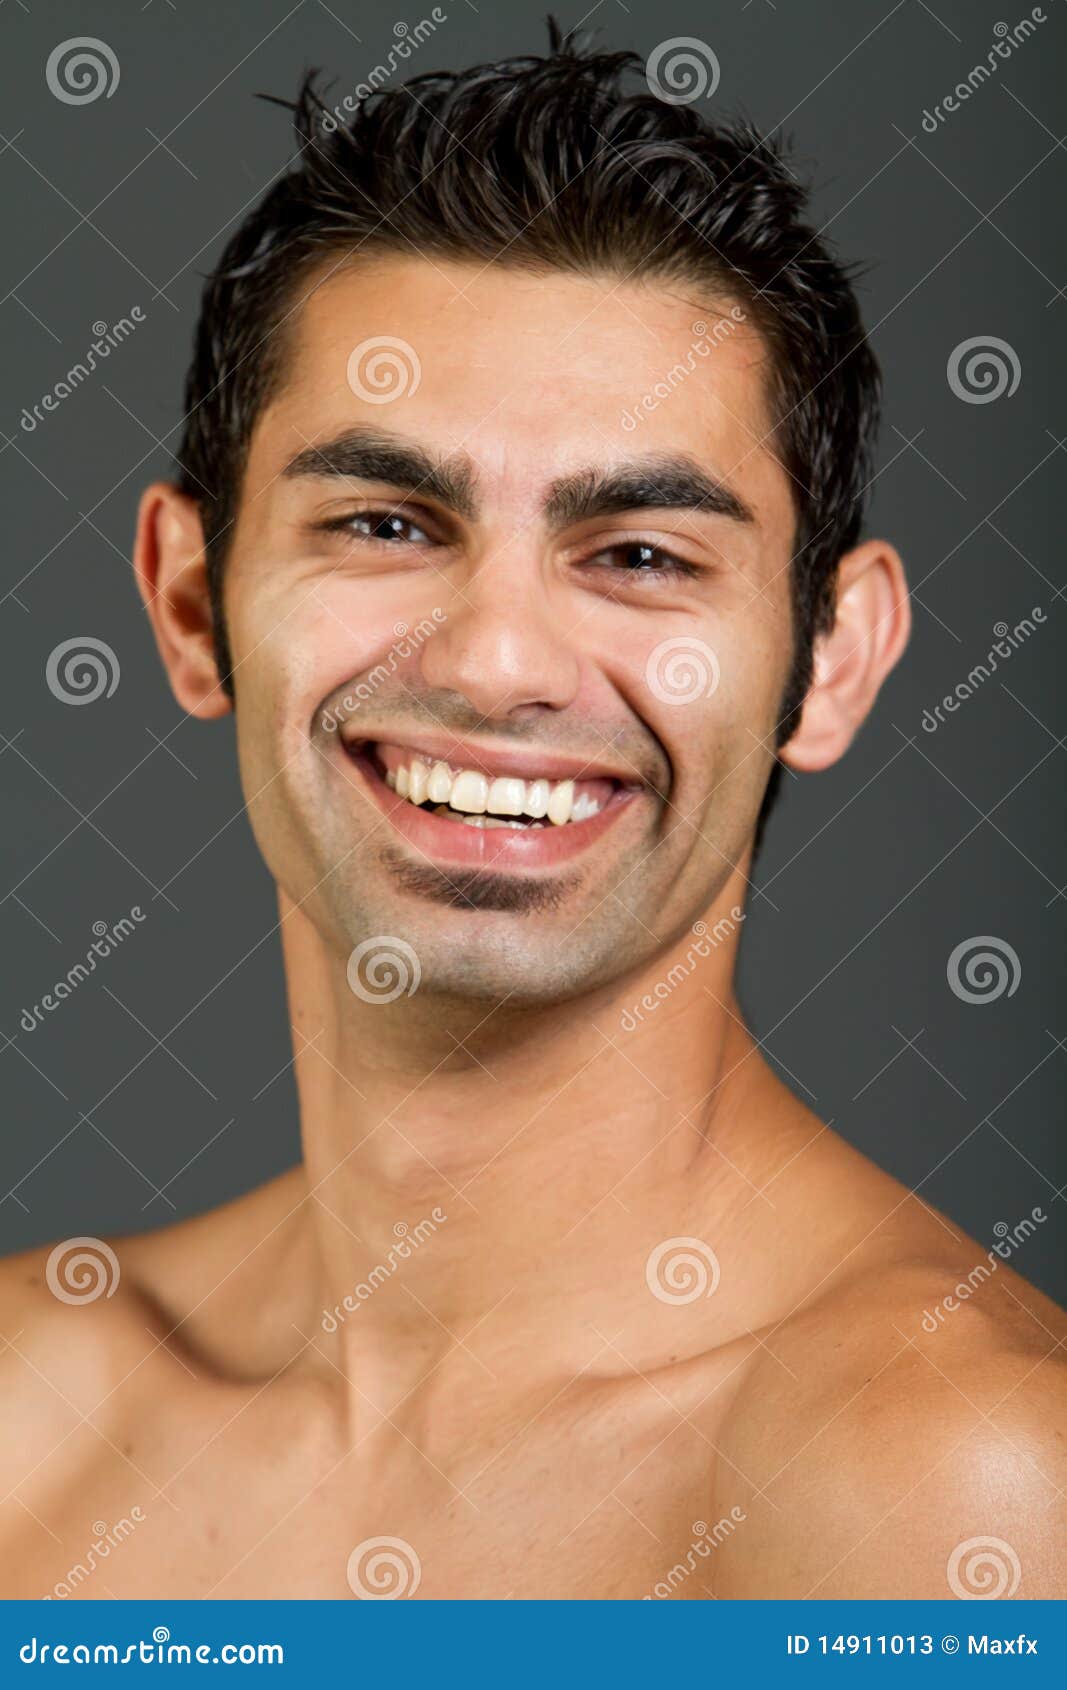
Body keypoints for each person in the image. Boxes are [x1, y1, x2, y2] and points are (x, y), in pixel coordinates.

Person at [2, 29, 1063, 1601]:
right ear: (185, 600)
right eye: (383, 520)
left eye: (640, 552)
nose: (497, 661)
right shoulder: (30, 1419)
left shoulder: (956, 1480)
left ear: (832, 659)